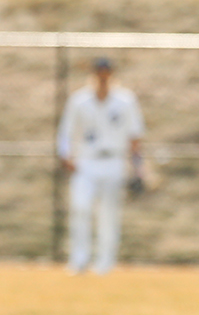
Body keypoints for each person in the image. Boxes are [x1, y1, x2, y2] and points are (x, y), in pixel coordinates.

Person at [58, 57, 146, 276]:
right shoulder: (79, 101)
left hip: (114, 160)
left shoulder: (125, 101)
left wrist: (138, 167)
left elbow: (135, 136)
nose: (103, 77)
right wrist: (66, 156)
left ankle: (105, 263)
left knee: (109, 214)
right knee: (81, 208)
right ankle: (79, 260)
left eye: (106, 73)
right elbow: (66, 132)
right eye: (99, 72)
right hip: (86, 161)